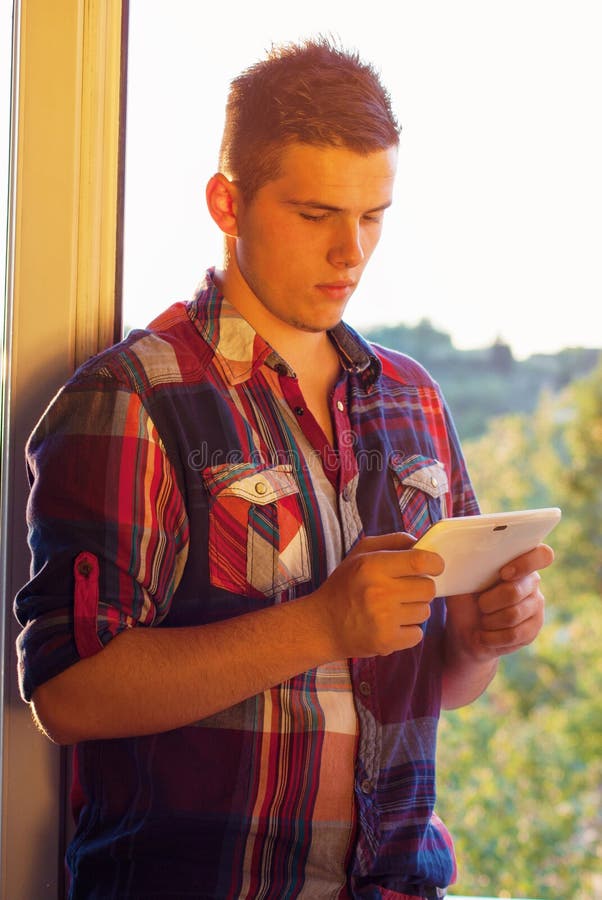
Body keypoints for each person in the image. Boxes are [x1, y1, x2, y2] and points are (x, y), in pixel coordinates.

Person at [15, 38, 553, 900]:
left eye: (373, 215)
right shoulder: (132, 398)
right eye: (315, 214)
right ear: (227, 202)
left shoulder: (414, 398)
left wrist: (480, 642)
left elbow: (442, 686)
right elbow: (70, 696)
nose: (352, 252)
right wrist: (322, 625)